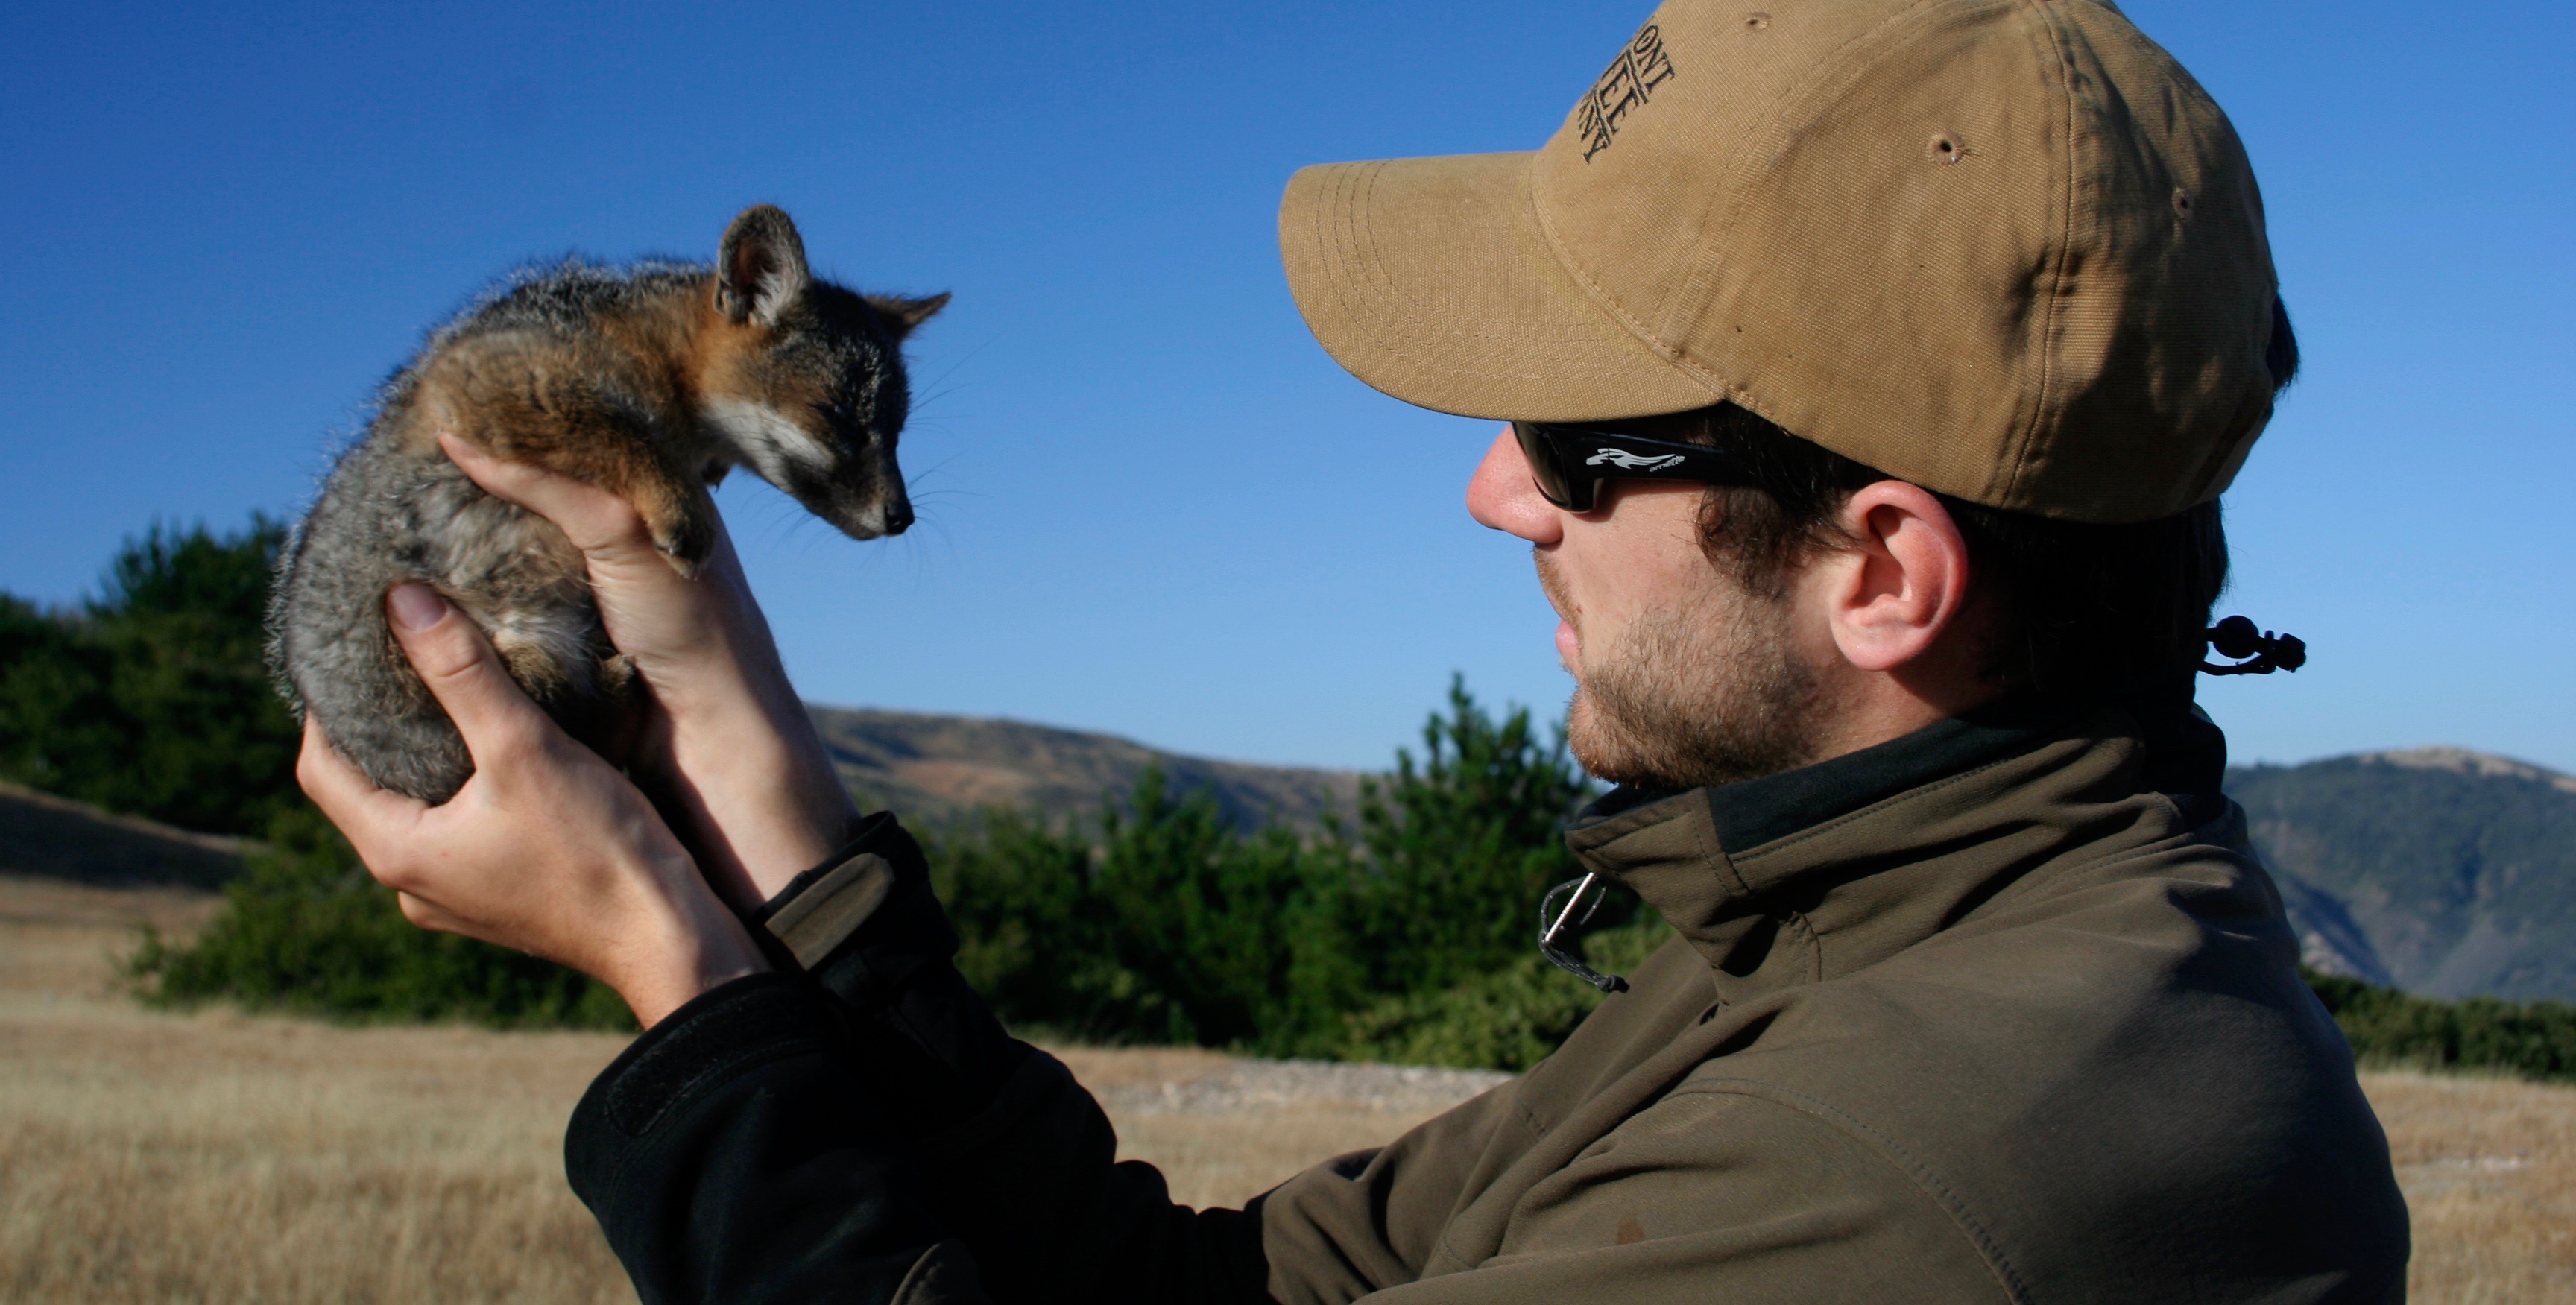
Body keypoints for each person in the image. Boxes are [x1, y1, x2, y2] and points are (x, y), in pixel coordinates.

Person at [300, 0, 2411, 1300]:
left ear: (1882, 570)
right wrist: (763, 797)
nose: (1494, 493)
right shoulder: (1858, 940)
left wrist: (678, 989)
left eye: (1573, 441)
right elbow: (1199, 1298)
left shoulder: (1932, 1164)